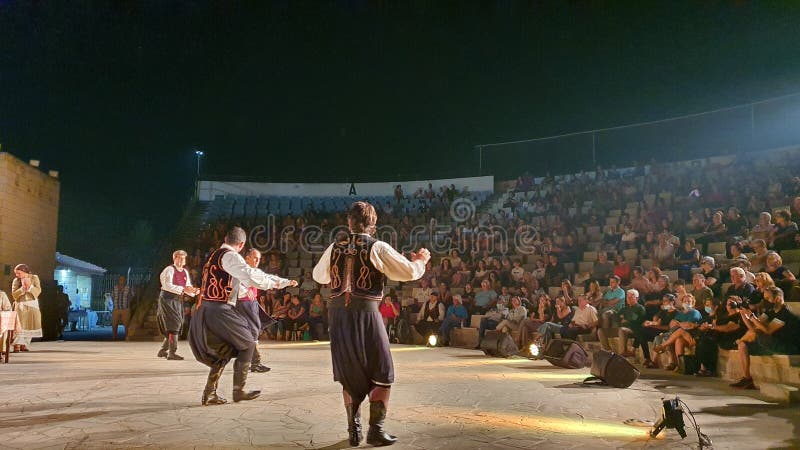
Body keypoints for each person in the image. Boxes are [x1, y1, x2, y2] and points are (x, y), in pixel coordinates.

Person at [313, 201, 429, 447]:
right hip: (366, 313)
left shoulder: (335, 246)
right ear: (373, 224)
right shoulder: (377, 246)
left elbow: (318, 276)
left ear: (349, 222)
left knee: (348, 371)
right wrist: (421, 260)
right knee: (383, 371)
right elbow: (408, 272)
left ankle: (353, 430)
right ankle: (375, 430)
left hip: (338, 316)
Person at [190, 227, 297, 406]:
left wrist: (279, 282)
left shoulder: (215, 255)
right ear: (241, 245)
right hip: (219, 309)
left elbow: (253, 274)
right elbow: (250, 276)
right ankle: (238, 391)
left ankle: (210, 394)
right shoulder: (230, 256)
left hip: (209, 308)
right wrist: (277, 283)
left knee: (223, 352)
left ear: (225, 238)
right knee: (248, 344)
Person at [730, 287, 800, 389]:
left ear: (778, 298)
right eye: (764, 298)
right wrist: (744, 315)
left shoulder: (786, 313)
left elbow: (767, 330)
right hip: (772, 343)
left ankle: (739, 340)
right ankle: (747, 378)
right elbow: (753, 328)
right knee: (743, 345)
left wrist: (753, 317)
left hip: (788, 346)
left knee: (756, 332)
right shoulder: (770, 311)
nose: (765, 301)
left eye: (768, 298)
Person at [157, 250, 199, 360]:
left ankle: (163, 350)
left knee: (178, 324)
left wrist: (194, 291)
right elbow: (167, 285)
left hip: (177, 300)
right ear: (174, 259)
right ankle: (172, 352)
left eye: (183, 258)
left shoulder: (185, 271)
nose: (180, 260)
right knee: (174, 324)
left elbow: (187, 286)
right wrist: (184, 289)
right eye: (178, 258)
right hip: (167, 299)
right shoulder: (169, 270)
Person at [236, 248, 271, 373]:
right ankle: (255, 362)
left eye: (259, 258)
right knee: (251, 333)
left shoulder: (253, 271)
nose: (257, 261)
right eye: (255, 258)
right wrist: (246, 291)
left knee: (251, 333)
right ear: (247, 258)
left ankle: (253, 362)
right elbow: (234, 282)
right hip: (244, 303)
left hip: (251, 303)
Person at [11, 264, 42, 352]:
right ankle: (17, 344)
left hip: (32, 304)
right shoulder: (16, 281)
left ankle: (24, 344)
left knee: (30, 324)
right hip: (21, 305)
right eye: (16, 273)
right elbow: (14, 294)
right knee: (20, 325)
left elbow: (38, 290)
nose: (17, 275)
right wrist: (22, 289)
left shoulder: (34, 278)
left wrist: (30, 287)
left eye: (18, 273)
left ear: (25, 272)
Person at [111, 275, 133, 341]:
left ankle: (127, 337)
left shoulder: (128, 288)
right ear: (118, 280)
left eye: (123, 279)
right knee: (114, 324)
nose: (121, 281)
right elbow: (112, 296)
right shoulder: (114, 288)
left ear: (125, 280)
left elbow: (132, 296)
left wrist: (128, 303)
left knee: (126, 324)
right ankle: (114, 337)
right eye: (120, 279)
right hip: (116, 308)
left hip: (125, 309)